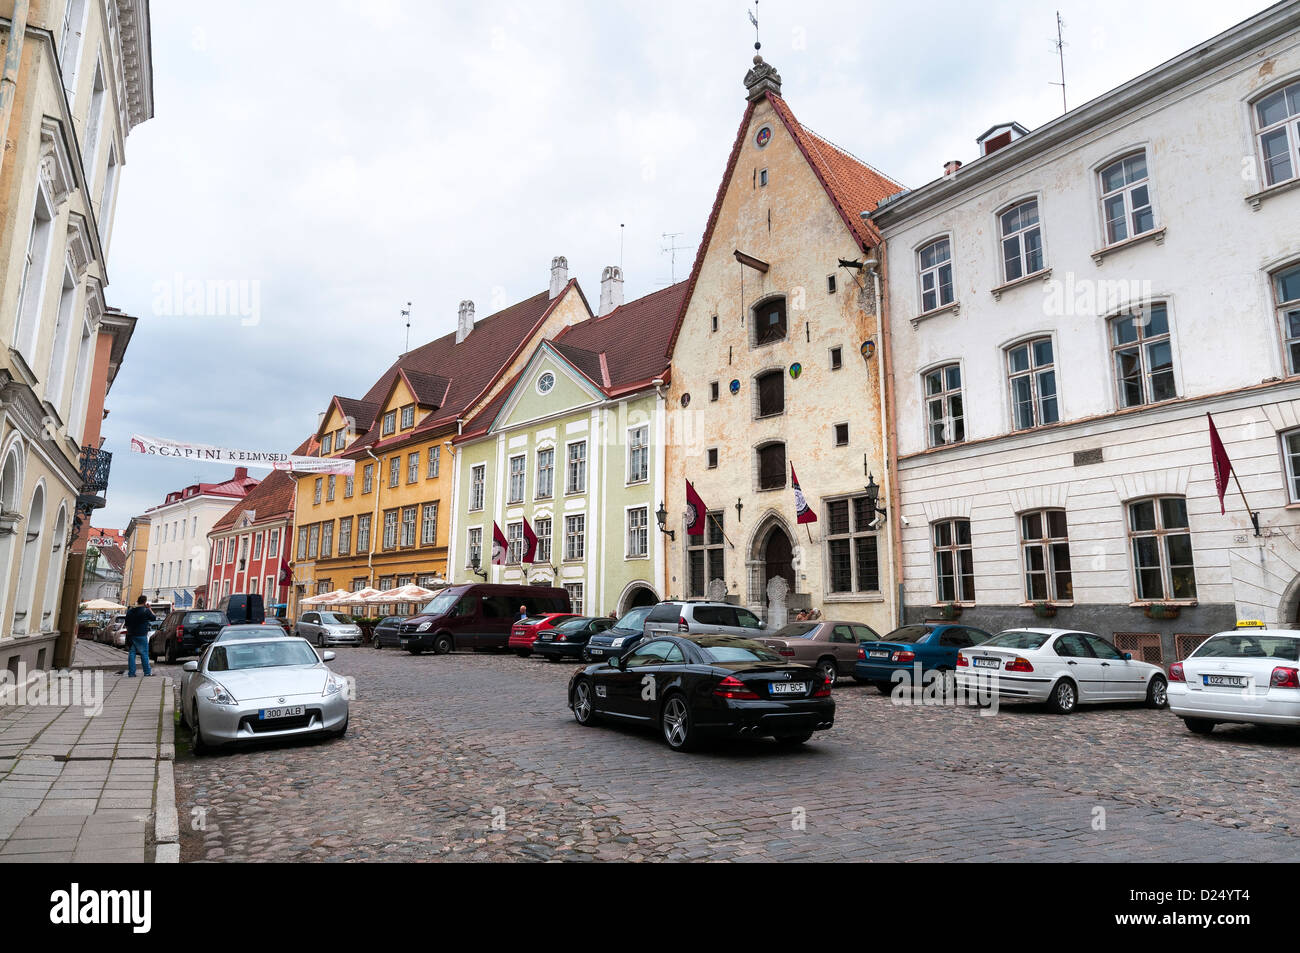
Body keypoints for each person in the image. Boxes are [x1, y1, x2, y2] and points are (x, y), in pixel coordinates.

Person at [123, 596, 154, 677]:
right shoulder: (145, 610)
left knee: (132, 653)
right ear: (145, 602)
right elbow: (154, 618)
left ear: (137, 601)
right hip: (141, 634)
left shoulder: (130, 611)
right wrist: (149, 608)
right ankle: (147, 672)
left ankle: (131, 673)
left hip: (132, 635)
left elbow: (126, 623)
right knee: (144, 653)